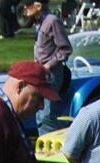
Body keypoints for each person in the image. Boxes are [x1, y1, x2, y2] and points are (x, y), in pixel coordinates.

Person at [24, 0, 67, 131]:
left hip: (51, 74)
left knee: (47, 116)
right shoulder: (38, 23)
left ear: (38, 6)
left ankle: (51, 147)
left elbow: (65, 49)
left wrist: (48, 65)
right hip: (40, 72)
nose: (25, 7)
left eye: (28, 4)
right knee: (39, 112)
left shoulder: (52, 21)